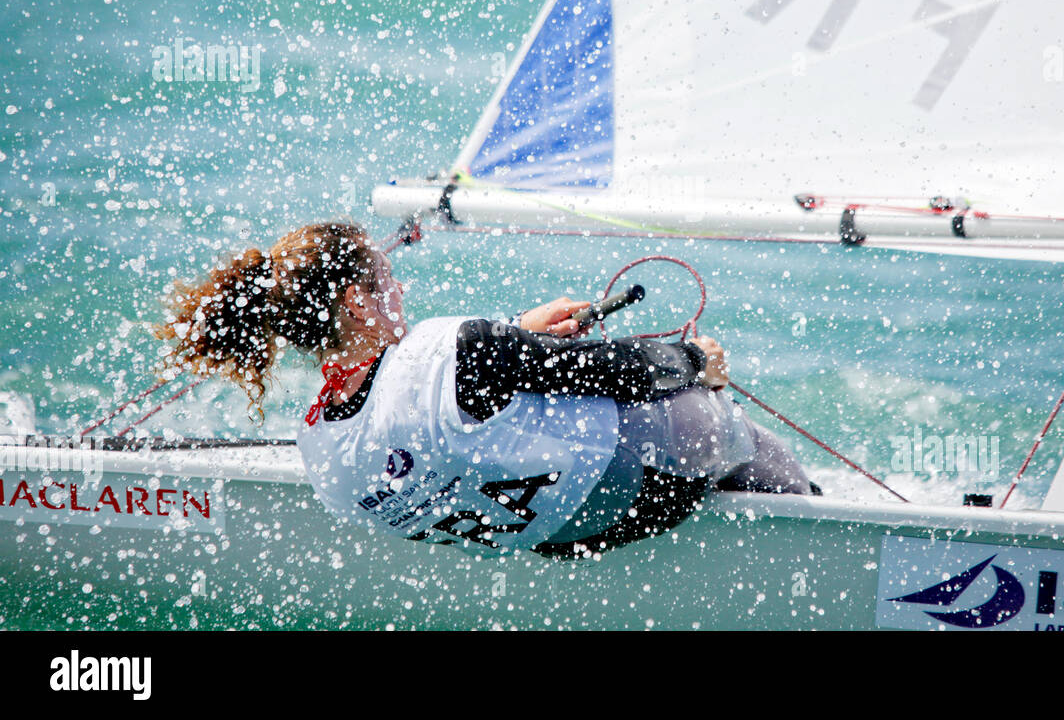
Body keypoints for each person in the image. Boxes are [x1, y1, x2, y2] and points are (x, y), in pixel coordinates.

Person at [153, 220, 817, 558]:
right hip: (650, 486)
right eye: (388, 278)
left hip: (571, 541)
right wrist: (692, 359)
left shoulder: (322, 448)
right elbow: (619, 372)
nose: (401, 288)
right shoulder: (463, 351)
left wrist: (517, 339)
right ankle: (814, 511)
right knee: (710, 416)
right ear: (357, 303)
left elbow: (437, 408)